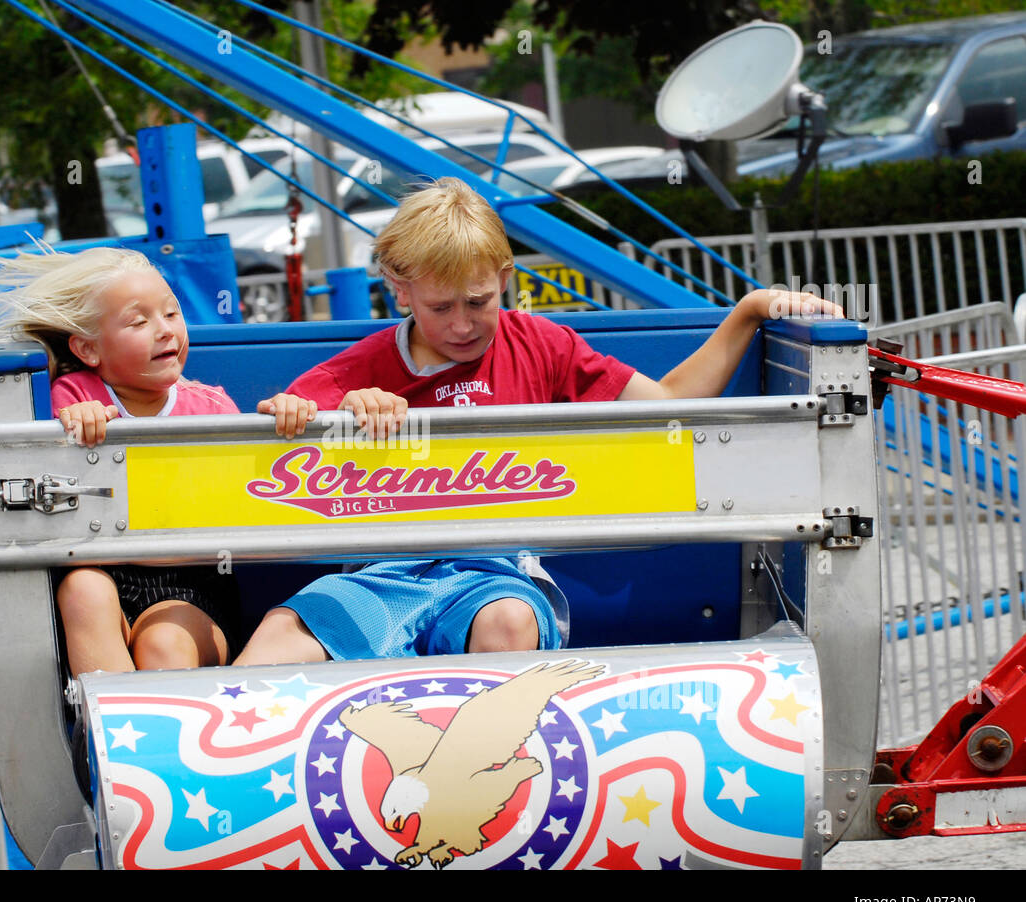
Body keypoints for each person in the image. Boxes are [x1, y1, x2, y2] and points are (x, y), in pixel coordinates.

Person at [238, 177, 843, 665]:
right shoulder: (364, 367)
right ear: (400, 293)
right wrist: (326, 413)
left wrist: (747, 311)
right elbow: (278, 423)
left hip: (492, 570)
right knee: (279, 638)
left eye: (479, 302)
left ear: (505, 281)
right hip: (383, 573)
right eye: (439, 308)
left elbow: (666, 404)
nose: (461, 325)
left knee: (508, 624)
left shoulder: (541, 344)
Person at [0, 246, 312, 675]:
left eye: (171, 313)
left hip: (188, 584)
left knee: (164, 645)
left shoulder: (211, 407)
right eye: (139, 321)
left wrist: (284, 421)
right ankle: (104, 733)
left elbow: (257, 486)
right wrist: (68, 425)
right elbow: (42, 466)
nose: (165, 330)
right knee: (83, 588)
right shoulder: (74, 395)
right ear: (89, 350)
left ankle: (163, 734)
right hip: (102, 573)